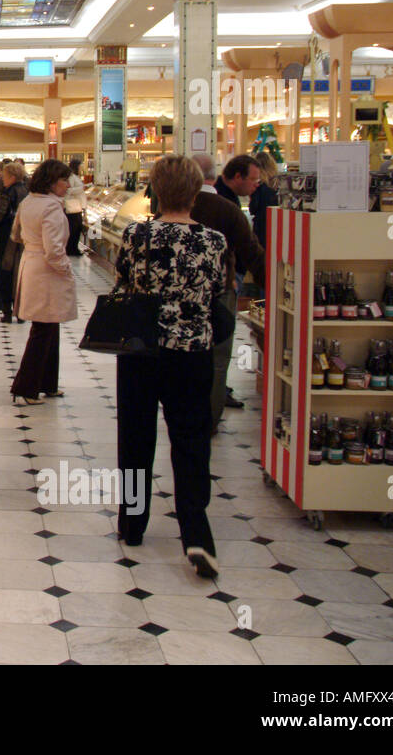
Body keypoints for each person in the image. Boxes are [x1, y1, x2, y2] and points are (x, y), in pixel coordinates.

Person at [114, 155, 227, 579]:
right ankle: (197, 533)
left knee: (136, 438)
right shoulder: (213, 241)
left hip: (141, 349)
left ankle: (133, 524)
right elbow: (216, 289)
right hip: (192, 352)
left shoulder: (137, 234)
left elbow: (125, 280)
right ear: (196, 191)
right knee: (192, 440)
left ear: (155, 190)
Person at [190, 154, 266, 427]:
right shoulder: (228, 209)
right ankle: (209, 417)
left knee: (188, 356)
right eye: (255, 179)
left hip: (185, 295)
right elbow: (252, 252)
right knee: (218, 357)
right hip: (221, 292)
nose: (257, 185)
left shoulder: (179, 206)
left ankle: (187, 413)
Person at [9, 159, 76, 405]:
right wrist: (66, 269)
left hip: (31, 264)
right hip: (47, 272)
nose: (68, 185)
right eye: (64, 180)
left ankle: (48, 383)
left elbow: (15, 234)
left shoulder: (29, 201)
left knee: (49, 324)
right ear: (51, 182)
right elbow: (54, 250)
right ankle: (26, 387)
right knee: (43, 328)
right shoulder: (52, 208)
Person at [0, 160, 27, 322]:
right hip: (23, 236)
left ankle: (6, 310)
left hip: (6, 236)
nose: (2, 179)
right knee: (19, 272)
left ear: (11, 176)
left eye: (4, 175)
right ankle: (21, 310)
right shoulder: (26, 191)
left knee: (5, 271)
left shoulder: (7, 193)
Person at [250, 151, 281, 248]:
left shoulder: (258, 185)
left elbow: (253, 208)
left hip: (261, 227)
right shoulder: (279, 183)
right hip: (278, 224)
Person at [64, 158, 86, 256]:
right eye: (81, 165)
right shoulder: (71, 176)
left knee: (76, 229)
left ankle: (73, 248)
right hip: (72, 207)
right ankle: (72, 249)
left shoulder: (75, 176)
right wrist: (83, 188)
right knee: (74, 229)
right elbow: (69, 191)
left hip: (76, 206)